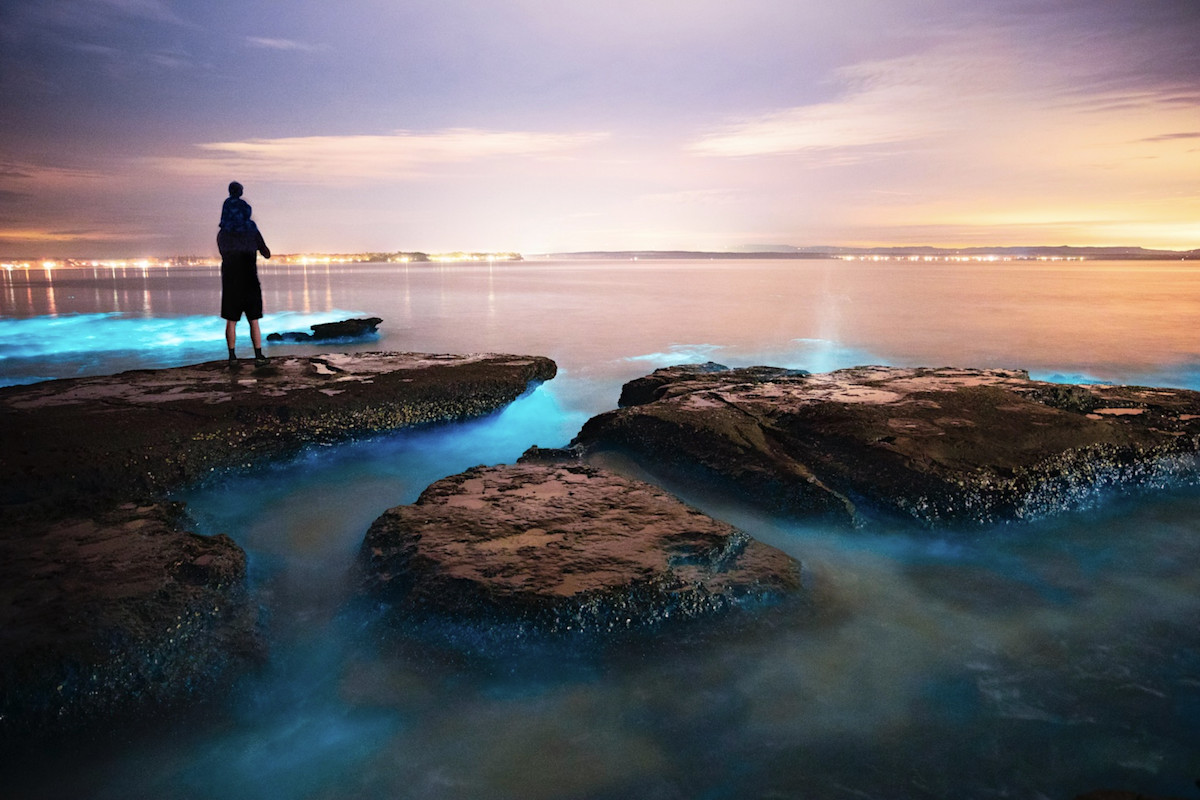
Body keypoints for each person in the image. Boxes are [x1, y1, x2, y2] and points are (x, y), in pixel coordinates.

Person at [217, 181, 271, 366]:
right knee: (253, 320)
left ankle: (232, 357)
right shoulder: (252, 229)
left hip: (231, 281)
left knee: (231, 321)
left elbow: (224, 253)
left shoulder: (223, 233)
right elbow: (266, 253)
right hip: (250, 280)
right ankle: (258, 356)